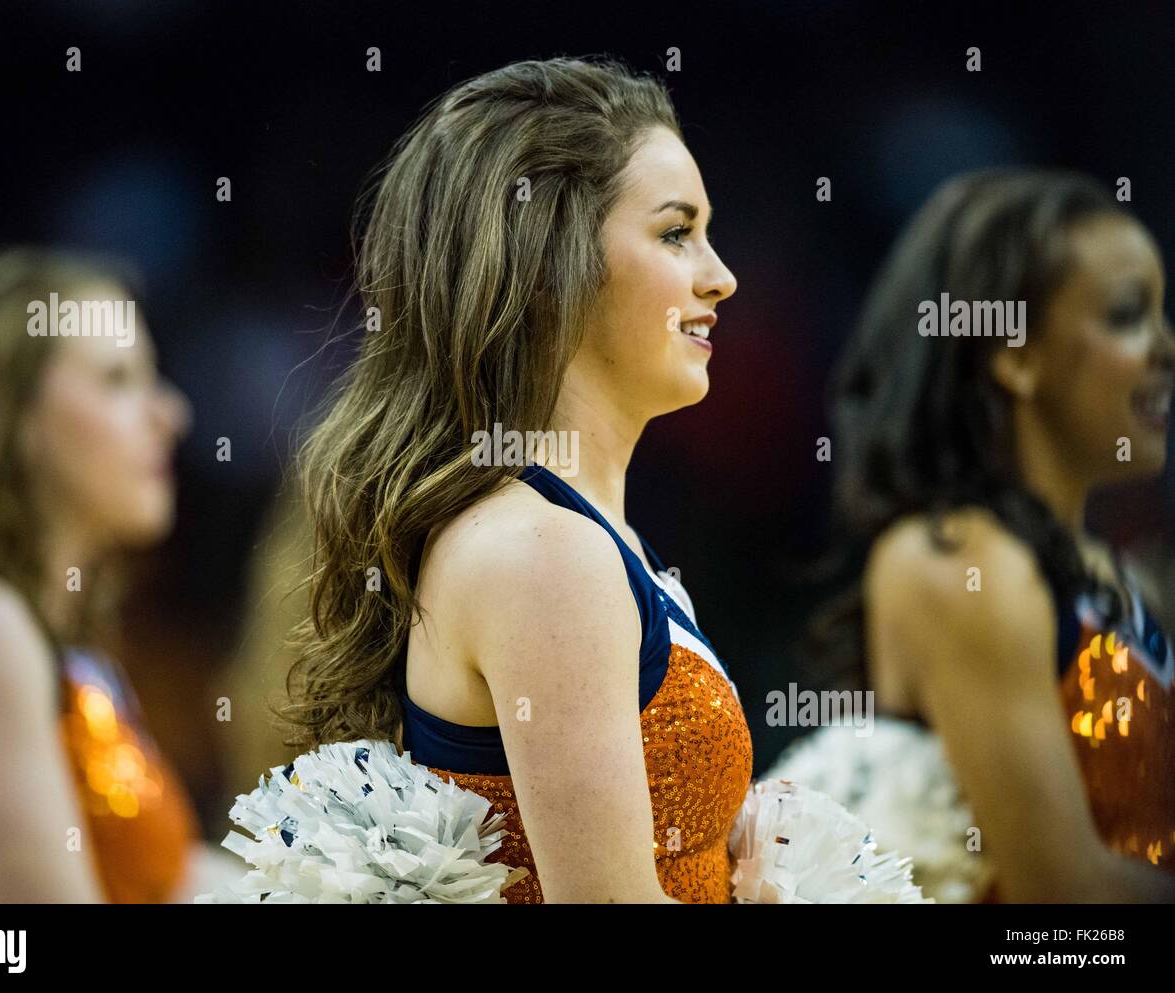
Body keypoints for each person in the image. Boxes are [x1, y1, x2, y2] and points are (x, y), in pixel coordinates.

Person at [282, 57, 749, 903]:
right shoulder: (543, 551)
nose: (720, 276)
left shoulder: (577, 536)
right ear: (551, 262)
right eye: (677, 233)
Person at [806, 169, 1175, 902]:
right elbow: (1061, 899)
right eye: (1129, 315)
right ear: (1014, 354)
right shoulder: (958, 558)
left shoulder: (1112, 570)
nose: (1165, 347)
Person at [0, 246, 202, 902]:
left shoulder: (46, 623)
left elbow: (179, 879)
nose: (170, 414)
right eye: (118, 380)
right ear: (4, 418)